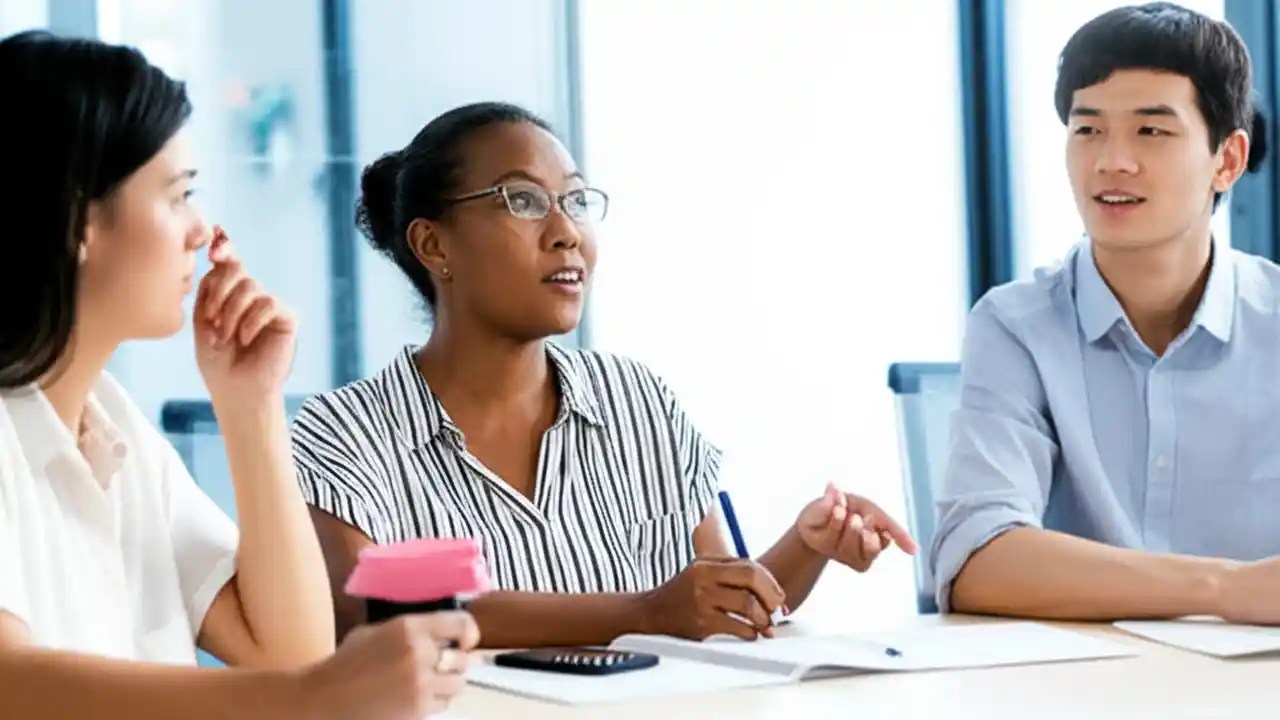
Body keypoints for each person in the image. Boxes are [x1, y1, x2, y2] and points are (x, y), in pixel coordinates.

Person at [291, 101, 918, 647]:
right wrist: (642, 612)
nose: (567, 233)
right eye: (525, 201)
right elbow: (363, 612)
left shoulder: (638, 399)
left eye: (575, 200)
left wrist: (807, 544)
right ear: (434, 246)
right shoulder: (346, 431)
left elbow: (716, 603)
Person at [0, 31, 475, 719]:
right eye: (177, 196)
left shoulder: (114, 426)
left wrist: (251, 407)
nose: (201, 231)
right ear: (78, 218)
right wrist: (310, 695)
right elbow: (10, 682)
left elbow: (291, 651)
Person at [931, 2, 1280, 624]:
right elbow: (975, 558)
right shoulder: (1015, 327)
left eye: (1151, 131)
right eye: (1087, 129)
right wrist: (1227, 589)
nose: (1111, 160)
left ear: (1227, 160)